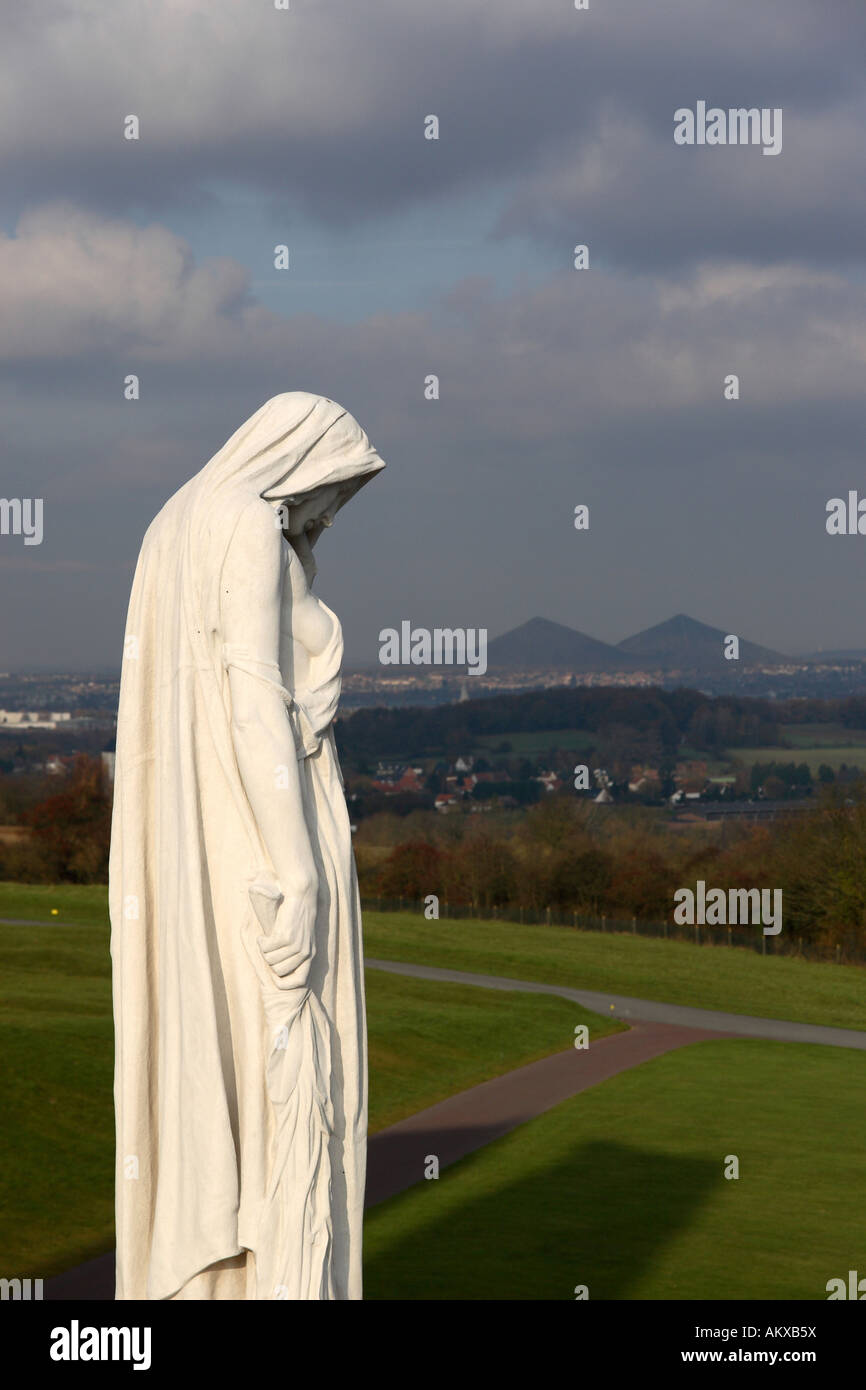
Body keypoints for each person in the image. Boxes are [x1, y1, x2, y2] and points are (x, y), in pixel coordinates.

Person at [109, 392, 386, 1299]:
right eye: (328, 493)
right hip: (267, 846)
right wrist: (298, 872)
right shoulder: (246, 527)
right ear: (294, 459)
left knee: (221, 1046)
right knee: (287, 1072)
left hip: (210, 855)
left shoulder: (174, 523)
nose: (327, 516)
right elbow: (254, 700)